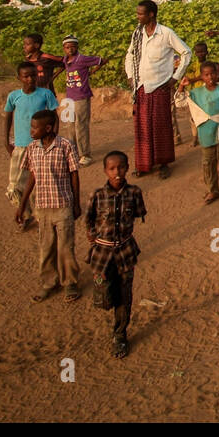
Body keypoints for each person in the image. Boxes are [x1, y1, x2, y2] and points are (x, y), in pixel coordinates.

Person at [15, 109, 82, 302]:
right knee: (46, 247)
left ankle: (69, 282)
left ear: (48, 128)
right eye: (31, 127)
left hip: (63, 205)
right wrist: (22, 206)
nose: (31, 131)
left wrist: (76, 204)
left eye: (35, 128)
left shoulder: (65, 145)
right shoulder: (32, 148)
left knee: (65, 247)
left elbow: (74, 175)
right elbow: (31, 177)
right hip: (42, 208)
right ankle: (48, 283)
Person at [84, 150, 146, 358]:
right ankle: (112, 312)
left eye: (121, 167)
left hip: (125, 253)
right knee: (103, 293)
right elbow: (89, 219)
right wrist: (92, 234)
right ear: (105, 171)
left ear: (127, 168)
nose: (117, 172)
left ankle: (120, 334)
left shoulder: (134, 193)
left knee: (124, 295)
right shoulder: (97, 195)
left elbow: (139, 213)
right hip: (102, 254)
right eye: (112, 168)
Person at [123, 0, 190, 180]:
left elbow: (186, 53)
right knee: (142, 128)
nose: (138, 16)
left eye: (141, 13)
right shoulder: (137, 34)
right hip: (141, 87)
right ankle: (144, 164)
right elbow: (129, 55)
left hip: (160, 87)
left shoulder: (166, 33)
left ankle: (163, 163)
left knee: (161, 126)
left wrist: (175, 78)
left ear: (151, 14)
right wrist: (131, 76)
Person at [4, 62, 60, 220]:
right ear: (19, 78)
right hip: (21, 146)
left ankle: (39, 215)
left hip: (41, 145)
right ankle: (25, 213)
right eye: (26, 76)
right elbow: (8, 117)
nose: (30, 79)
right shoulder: (14, 96)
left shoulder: (45, 94)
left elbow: (54, 116)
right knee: (14, 186)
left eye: (33, 75)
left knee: (39, 182)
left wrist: (53, 138)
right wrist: (6, 141)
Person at [183, 61, 219, 205]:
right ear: (201, 76)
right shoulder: (196, 93)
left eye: (212, 73)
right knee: (208, 162)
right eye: (206, 75)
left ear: (217, 74)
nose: (210, 77)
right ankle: (212, 189)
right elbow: (179, 102)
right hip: (205, 132)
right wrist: (181, 86)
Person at [58, 36, 106, 167]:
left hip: (81, 96)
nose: (70, 49)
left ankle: (85, 154)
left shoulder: (83, 59)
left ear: (77, 47)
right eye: (67, 47)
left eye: (73, 46)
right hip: (69, 97)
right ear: (64, 48)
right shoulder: (65, 60)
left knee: (81, 126)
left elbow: (101, 61)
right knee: (70, 126)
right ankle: (73, 152)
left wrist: (91, 73)